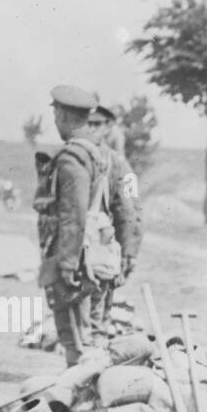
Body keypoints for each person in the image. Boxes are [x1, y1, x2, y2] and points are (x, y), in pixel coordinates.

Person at [32, 85, 110, 366]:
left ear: (64, 115)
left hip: (72, 257)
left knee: (74, 334)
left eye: (56, 114)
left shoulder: (72, 158)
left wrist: (66, 263)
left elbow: (73, 214)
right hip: (81, 252)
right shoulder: (91, 152)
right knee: (77, 333)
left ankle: (80, 392)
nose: (54, 121)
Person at [86, 103, 142, 334]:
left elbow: (131, 211)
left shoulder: (118, 164)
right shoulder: (72, 157)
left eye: (97, 124)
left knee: (97, 316)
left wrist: (129, 254)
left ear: (108, 127)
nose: (91, 129)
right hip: (74, 248)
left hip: (100, 246)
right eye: (87, 124)